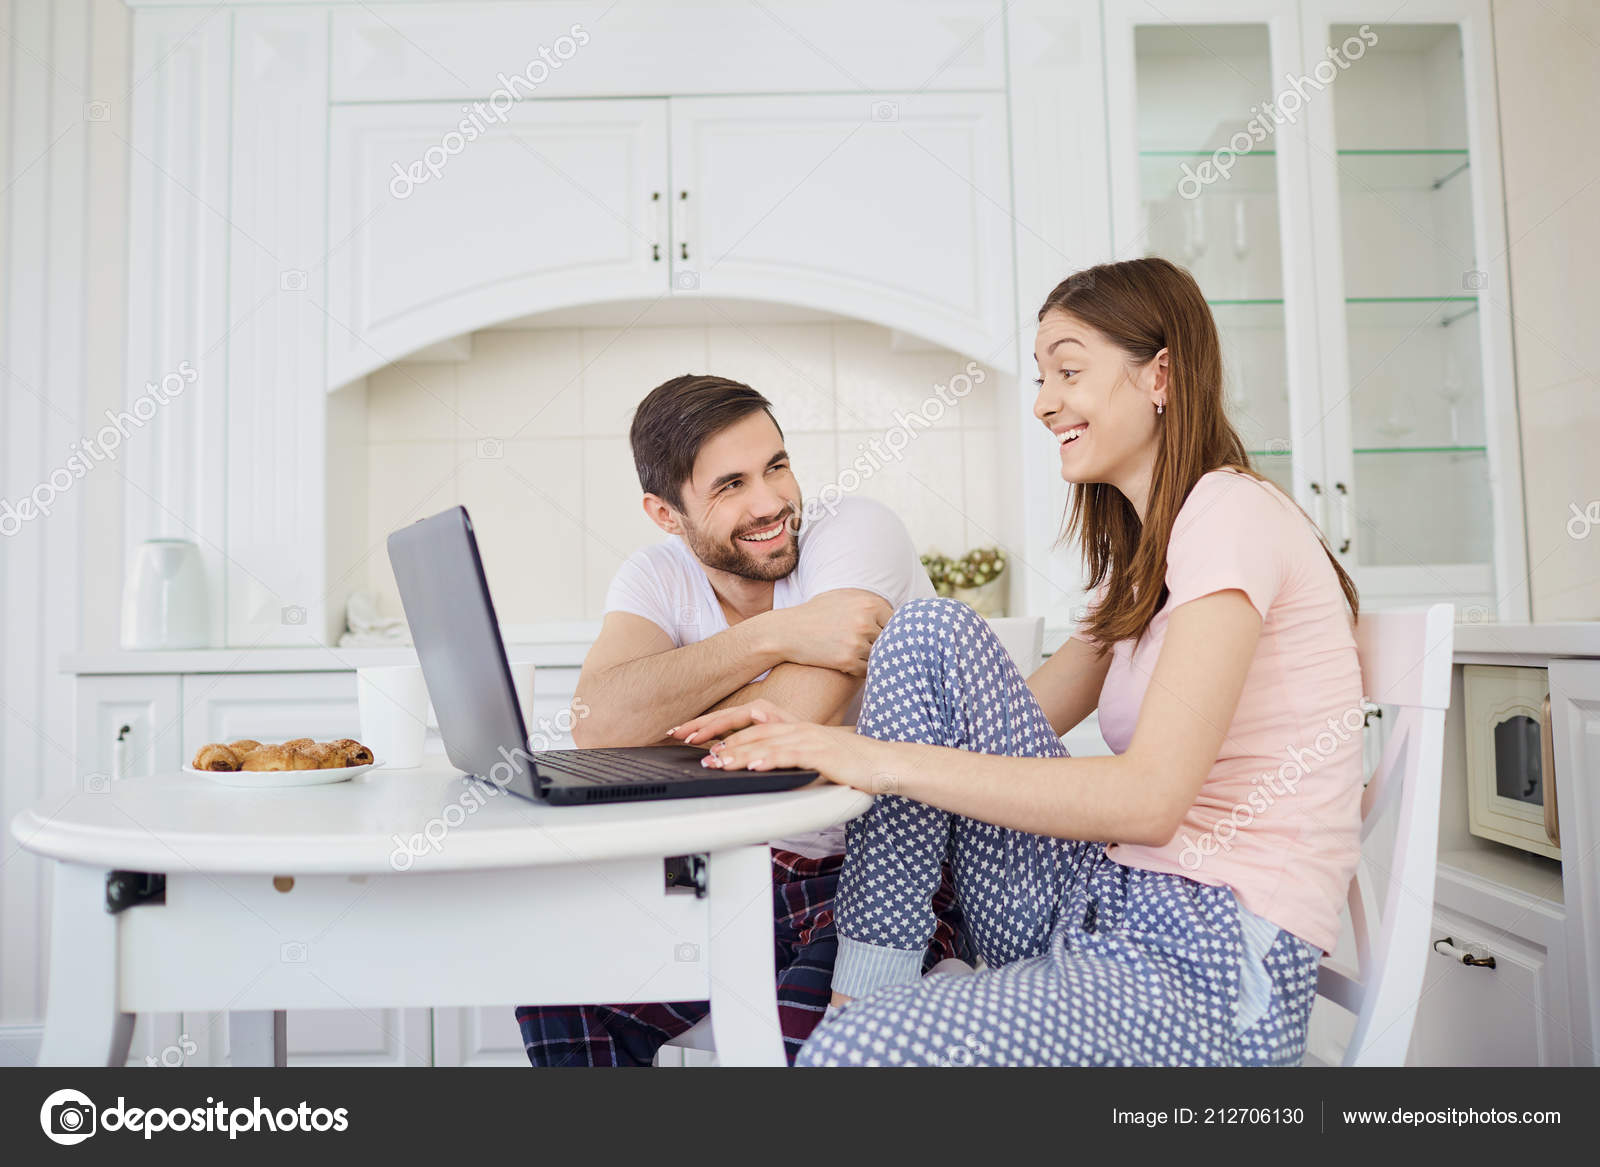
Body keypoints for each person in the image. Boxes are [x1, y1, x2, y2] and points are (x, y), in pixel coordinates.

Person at [673, 258, 1364, 1067]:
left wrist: (867, 757)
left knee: (855, 1053)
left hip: (1207, 964)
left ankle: (868, 1011)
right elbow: (990, 728)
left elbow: (1148, 801)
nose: (1043, 402)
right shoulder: (1151, 554)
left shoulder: (1231, 510)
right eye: (1043, 377)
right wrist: (808, 735)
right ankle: (867, 985)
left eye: (1069, 370)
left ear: (1161, 376)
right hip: (1102, 902)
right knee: (928, 633)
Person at [516, 373, 970, 1066]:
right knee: (559, 983)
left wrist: (659, 715)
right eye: (730, 485)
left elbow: (785, 733)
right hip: (730, 877)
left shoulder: (852, 532)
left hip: (876, 878)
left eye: (777, 467)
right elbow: (597, 724)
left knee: (790, 1045)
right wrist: (773, 635)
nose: (771, 503)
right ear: (666, 514)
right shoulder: (655, 576)